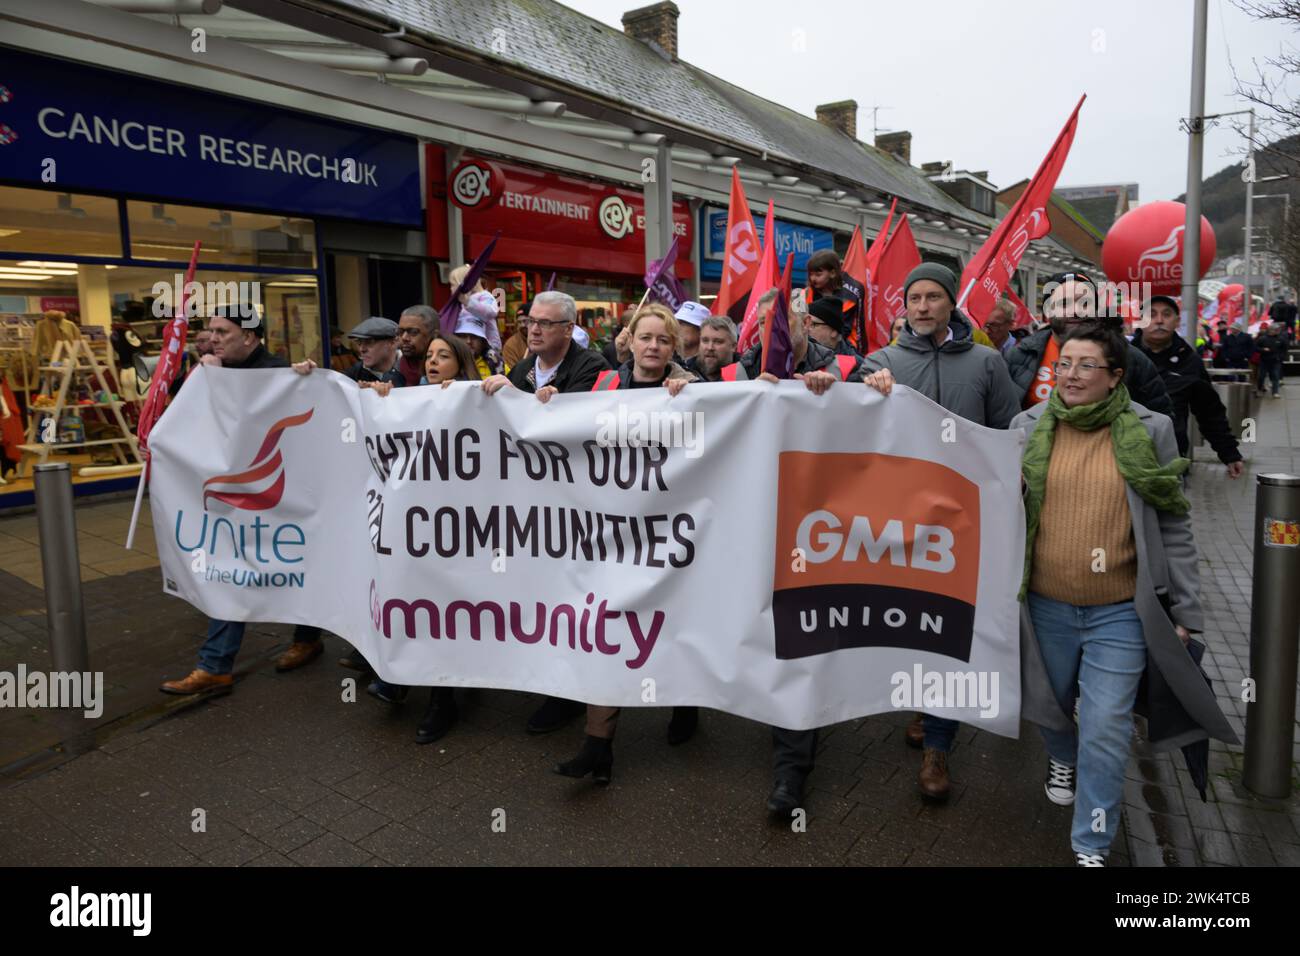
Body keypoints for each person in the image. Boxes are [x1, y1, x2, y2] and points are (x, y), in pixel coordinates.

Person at [1013, 324, 1235, 866]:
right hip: (1045, 604)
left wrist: (1184, 611)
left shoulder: (1151, 430)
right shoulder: (1026, 426)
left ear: (1116, 378)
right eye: (1064, 363)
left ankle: (1091, 840)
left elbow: (1174, 523)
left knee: (1108, 727)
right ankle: (1061, 756)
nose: (1070, 374)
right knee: (1048, 707)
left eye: (1086, 365)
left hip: (1121, 610)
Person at [855, 262, 1022, 803]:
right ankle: (921, 706)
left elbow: (1010, 433)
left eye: (932, 297)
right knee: (909, 623)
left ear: (952, 303)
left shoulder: (988, 363)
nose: (922, 306)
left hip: (964, 522)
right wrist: (863, 387)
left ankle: (938, 750)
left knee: (951, 632)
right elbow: (846, 422)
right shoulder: (881, 361)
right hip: (899, 523)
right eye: (914, 298)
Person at [554, 304, 700, 782]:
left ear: (673, 347)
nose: (653, 346)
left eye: (663, 339)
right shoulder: (603, 386)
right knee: (607, 632)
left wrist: (689, 400)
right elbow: (569, 434)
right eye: (646, 337)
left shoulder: (695, 390)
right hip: (613, 533)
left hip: (670, 533)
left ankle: (685, 704)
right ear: (630, 341)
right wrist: (547, 399)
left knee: (670, 628)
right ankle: (598, 748)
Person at [159, 309, 325, 695]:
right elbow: (185, 419)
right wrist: (205, 378)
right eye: (210, 332)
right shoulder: (208, 370)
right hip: (232, 494)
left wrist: (306, 379)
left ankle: (307, 637)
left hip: (280, 495)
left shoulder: (278, 371)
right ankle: (214, 666)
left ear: (249, 337)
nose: (212, 338)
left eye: (222, 332)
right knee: (230, 570)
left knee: (298, 562)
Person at [480, 291, 608, 733]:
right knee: (544, 596)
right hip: (536, 511)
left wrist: (517, 397)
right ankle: (553, 683)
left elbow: (572, 429)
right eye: (530, 321)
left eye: (546, 323)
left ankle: (572, 695)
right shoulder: (521, 369)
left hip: (580, 510)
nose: (534, 329)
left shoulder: (591, 368)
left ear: (569, 330)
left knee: (577, 600)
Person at [351, 333, 482, 743]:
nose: (433, 361)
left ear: (460, 364)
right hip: (415, 527)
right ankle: (404, 677)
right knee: (415, 605)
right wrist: (379, 397)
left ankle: (441, 700)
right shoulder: (407, 398)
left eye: (444, 356)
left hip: (461, 528)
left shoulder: (479, 400)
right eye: (429, 355)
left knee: (449, 612)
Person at [1006, 272, 1174, 419]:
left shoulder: (1129, 357)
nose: (1076, 310)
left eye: (1085, 303)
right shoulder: (1019, 355)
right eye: (1064, 304)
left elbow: (1161, 419)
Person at [1131, 295, 1244, 475]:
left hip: (1171, 457)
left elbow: (1209, 412)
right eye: (1151, 314)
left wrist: (1229, 453)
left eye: (1166, 314)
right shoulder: (1122, 357)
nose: (1159, 320)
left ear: (1177, 321)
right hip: (1124, 454)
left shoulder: (1189, 361)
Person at [722, 289, 864, 383]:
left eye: (781, 319)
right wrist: (753, 395)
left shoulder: (843, 369)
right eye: (763, 322)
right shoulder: (733, 375)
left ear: (806, 323)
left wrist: (834, 393)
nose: (772, 327)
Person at [453, 289, 505, 377]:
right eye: (463, 336)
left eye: (474, 336)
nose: (468, 341)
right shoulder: (449, 363)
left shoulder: (496, 363)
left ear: (483, 340)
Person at [341, 316, 404, 385]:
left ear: (393, 342)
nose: (362, 349)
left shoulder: (412, 369)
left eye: (369, 342)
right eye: (359, 343)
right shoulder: (350, 378)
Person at [686, 315, 739, 382]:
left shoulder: (747, 374)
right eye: (705, 341)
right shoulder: (683, 373)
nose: (710, 347)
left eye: (718, 342)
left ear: (733, 346)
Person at [395, 304, 439, 386]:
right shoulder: (392, 373)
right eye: (400, 332)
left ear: (434, 335)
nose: (404, 338)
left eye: (413, 332)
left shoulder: (451, 373)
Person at [807, 293, 861, 358]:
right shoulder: (798, 355)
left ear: (834, 332)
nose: (806, 328)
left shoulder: (855, 365)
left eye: (813, 324)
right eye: (805, 323)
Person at [1254, 322, 1286, 399]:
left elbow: (1284, 349)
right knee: (1261, 376)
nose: (1275, 331)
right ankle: (1259, 389)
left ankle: (1275, 392)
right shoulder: (1262, 338)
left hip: (1275, 361)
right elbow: (1255, 348)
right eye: (1273, 330)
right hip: (1264, 361)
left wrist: (1280, 357)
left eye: (1276, 330)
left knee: (1275, 376)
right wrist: (1263, 350)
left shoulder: (1281, 339)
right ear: (1269, 330)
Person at [502, 300, 531, 370]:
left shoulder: (543, 339)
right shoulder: (511, 345)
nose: (522, 325)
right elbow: (513, 373)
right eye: (519, 322)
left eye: (525, 321)